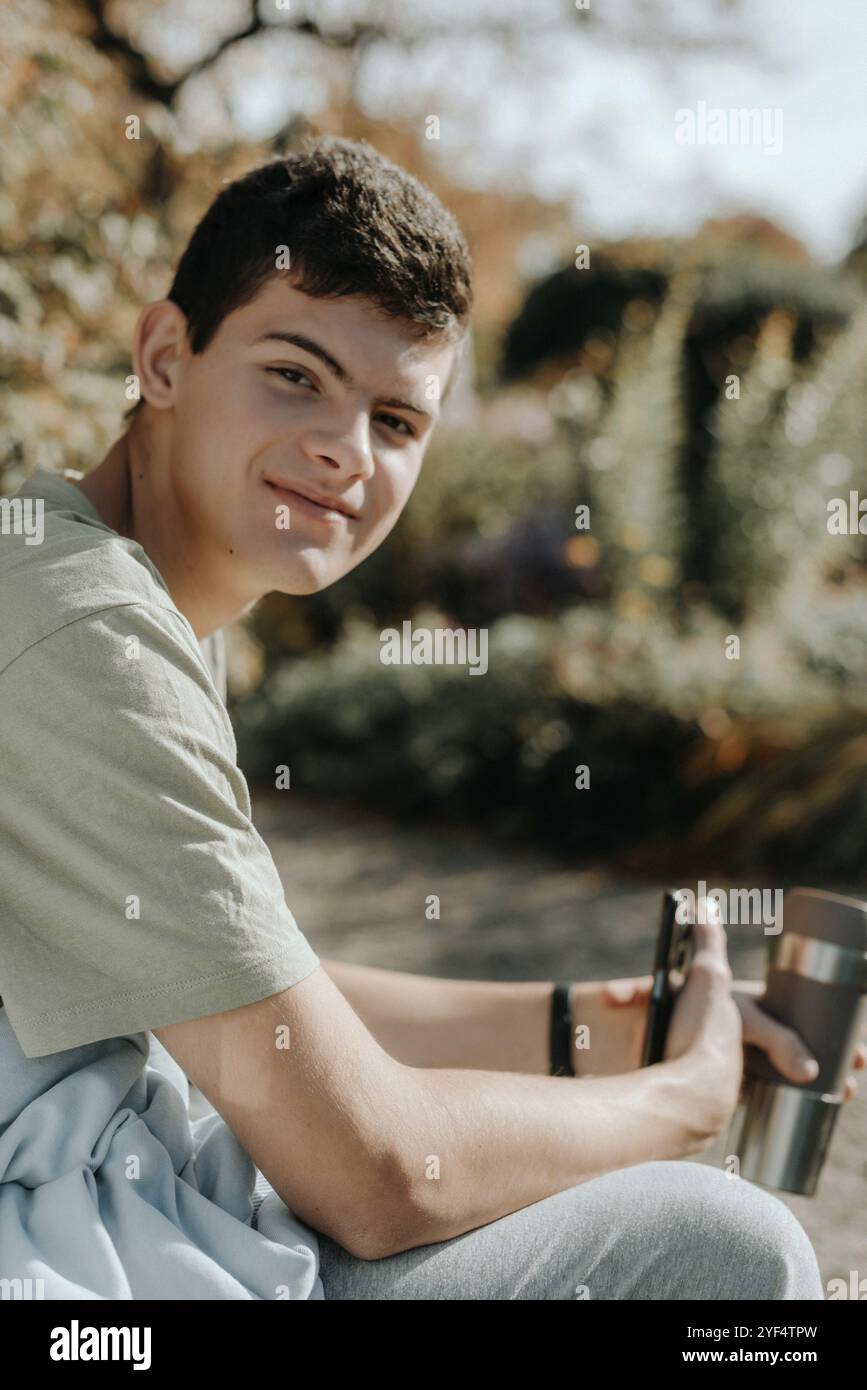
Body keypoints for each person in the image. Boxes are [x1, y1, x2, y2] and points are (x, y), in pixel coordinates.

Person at [0, 135, 863, 1302]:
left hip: (144, 1207)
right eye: (296, 375)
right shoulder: (82, 629)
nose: (344, 451)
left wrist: (611, 1026)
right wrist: (680, 1102)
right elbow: (379, 1173)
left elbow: (254, 992)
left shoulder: (99, 583)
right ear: (164, 355)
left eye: (396, 421)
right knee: (726, 1246)